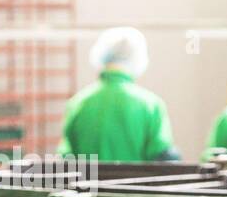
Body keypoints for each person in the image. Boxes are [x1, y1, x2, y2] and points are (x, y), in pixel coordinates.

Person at [58, 27, 178, 161]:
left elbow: (65, 159)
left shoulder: (78, 103)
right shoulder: (151, 105)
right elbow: (164, 158)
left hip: (87, 181)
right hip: (136, 182)